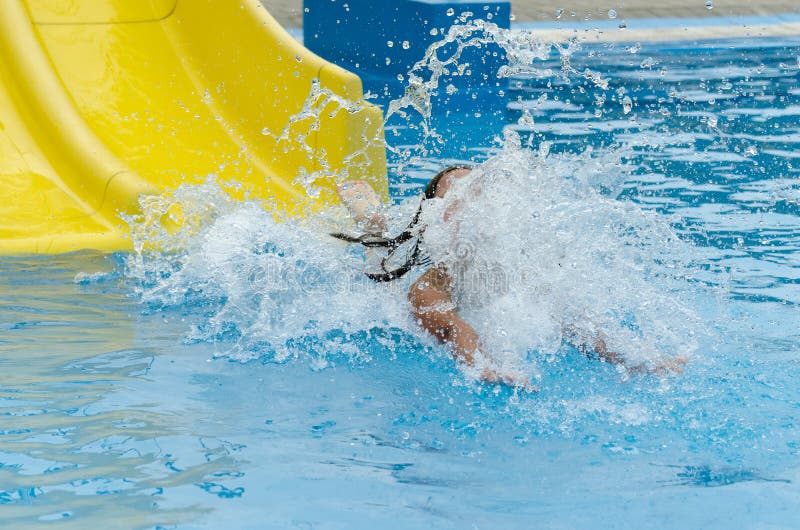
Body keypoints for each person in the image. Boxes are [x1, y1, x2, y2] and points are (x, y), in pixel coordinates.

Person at [334, 166, 686, 390]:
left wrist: (638, 359)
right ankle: (373, 225)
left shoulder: (514, 269)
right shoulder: (428, 287)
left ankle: (376, 225)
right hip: (403, 277)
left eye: (477, 194)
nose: (471, 205)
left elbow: (573, 323)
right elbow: (456, 329)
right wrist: (483, 366)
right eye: (455, 201)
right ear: (437, 221)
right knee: (378, 261)